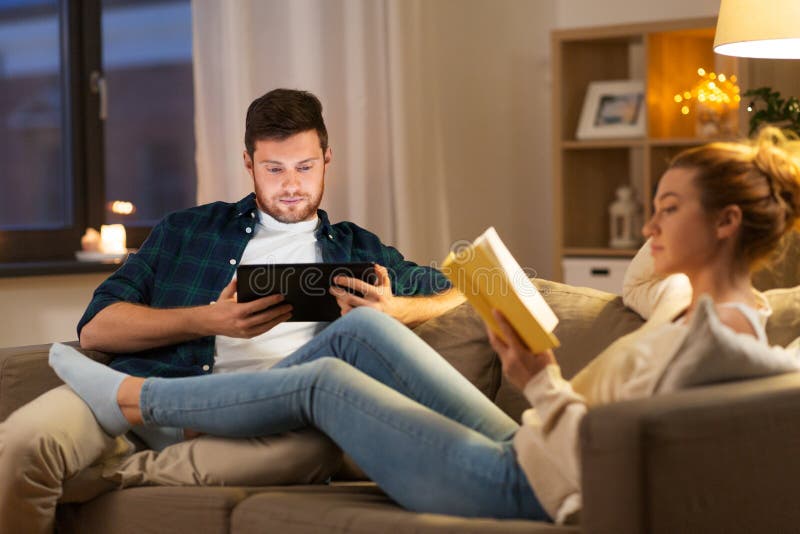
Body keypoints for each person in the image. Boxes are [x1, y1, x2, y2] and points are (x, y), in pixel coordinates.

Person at [48, 127, 800, 523]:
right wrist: (537, 378)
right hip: (533, 447)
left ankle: (135, 401)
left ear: (727, 222)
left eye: (670, 208)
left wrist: (542, 384)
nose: (650, 223)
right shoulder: (709, 313)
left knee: (327, 383)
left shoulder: (726, 344)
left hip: (524, 484)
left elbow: (615, 457)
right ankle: (145, 400)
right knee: (365, 335)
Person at [0, 88, 464, 533]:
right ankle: (119, 456)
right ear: (248, 164)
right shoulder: (187, 230)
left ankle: (110, 476)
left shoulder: (359, 248)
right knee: (19, 447)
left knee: (313, 450)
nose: (290, 185)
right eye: (273, 168)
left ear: (327, 159)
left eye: (304, 167)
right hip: (129, 393)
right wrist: (209, 319)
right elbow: (97, 330)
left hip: (250, 425)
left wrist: (396, 309)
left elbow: (463, 286)